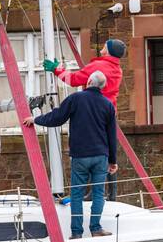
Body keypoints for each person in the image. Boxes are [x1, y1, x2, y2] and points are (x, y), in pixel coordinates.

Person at [23, 70, 118, 239]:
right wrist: (112, 161)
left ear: (88, 82)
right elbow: (112, 135)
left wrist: (36, 119)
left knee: (76, 195)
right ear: (102, 86)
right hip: (100, 156)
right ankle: (96, 228)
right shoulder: (107, 104)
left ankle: (76, 233)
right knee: (98, 193)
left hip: (80, 156)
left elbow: (57, 117)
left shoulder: (76, 99)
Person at [44, 38, 126, 200]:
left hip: (92, 112)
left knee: (90, 150)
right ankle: (110, 194)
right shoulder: (117, 69)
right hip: (109, 111)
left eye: (105, 45)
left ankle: (88, 193)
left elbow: (74, 80)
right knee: (106, 150)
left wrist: (56, 70)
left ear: (108, 50)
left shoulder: (99, 66)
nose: (102, 46)